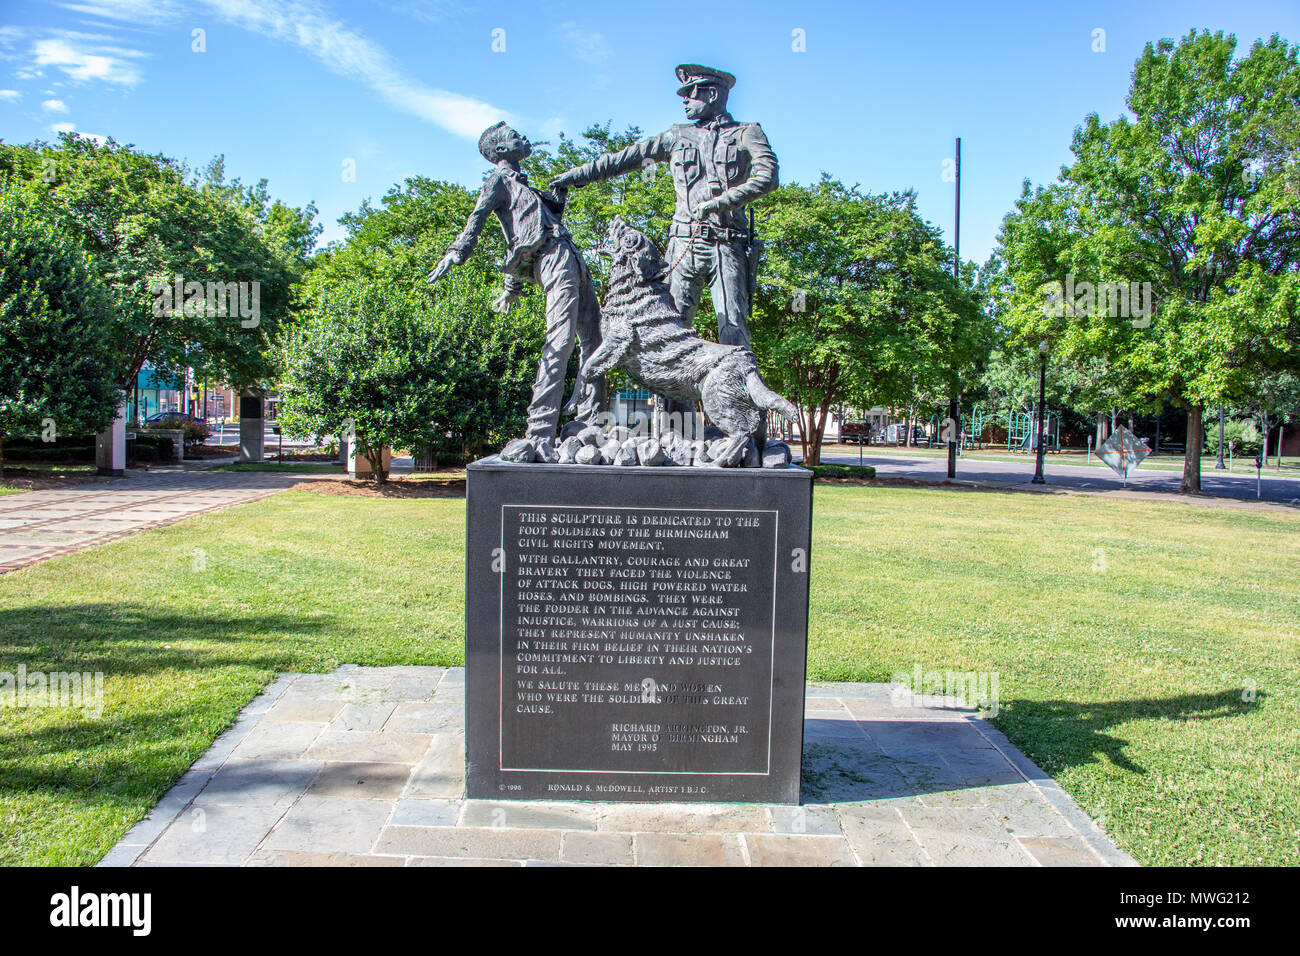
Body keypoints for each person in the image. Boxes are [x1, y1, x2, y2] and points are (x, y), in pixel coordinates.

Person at [549, 64, 777, 438]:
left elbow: (767, 176)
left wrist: (723, 201)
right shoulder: (677, 136)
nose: (686, 100)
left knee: (733, 330)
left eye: (692, 93)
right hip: (682, 245)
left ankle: (748, 435)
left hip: (727, 244)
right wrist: (574, 176)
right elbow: (622, 159)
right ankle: (678, 431)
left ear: (713, 94)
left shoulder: (746, 133)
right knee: (670, 334)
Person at [428, 122, 604, 458]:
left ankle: (589, 420)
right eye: (514, 136)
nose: (523, 138)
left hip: (572, 257)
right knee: (561, 337)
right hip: (552, 256)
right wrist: (456, 252)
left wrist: (560, 194)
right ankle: (539, 430)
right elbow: (477, 219)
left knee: (595, 340)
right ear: (500, 150)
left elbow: (521, 231)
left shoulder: (527, 186)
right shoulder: (498, 180)